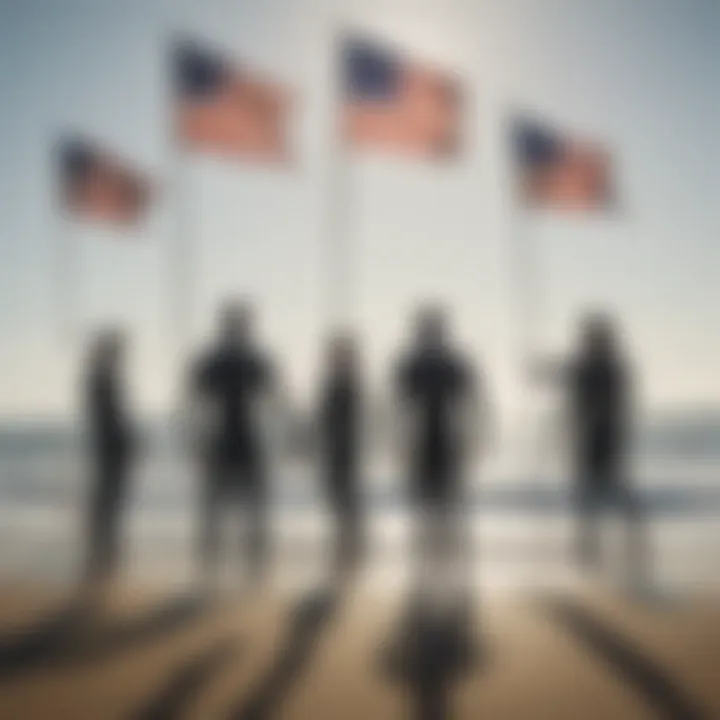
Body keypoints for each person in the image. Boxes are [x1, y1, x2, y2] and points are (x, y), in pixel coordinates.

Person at [532, 312, 646, 586]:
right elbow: (557, 376)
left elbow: (571, 381)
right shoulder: (594, 365)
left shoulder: (606, 367)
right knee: (591, 494)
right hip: (589, 437)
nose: (585, 342)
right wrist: (540, 370)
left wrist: (545, 373)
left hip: (601, 436)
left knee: (609, 491)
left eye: (588, 337)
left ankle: (615, 546)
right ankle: (591, 549)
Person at [393, 304, 483, 614]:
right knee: (433, 514)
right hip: (429, 446)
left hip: (444, 445)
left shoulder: (447, 364)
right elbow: (398, 409)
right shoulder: (415, 365)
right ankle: (432, 580)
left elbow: (473, 405)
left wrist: (473, 441)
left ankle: (446, 581)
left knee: (443, 514)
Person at [189, 301, 276, 591]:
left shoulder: (251, 359)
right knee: (217, 509)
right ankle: (213, 570)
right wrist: (198, 440)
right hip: (224, 439)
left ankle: (252, 571)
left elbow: (273, 398)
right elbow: (197, 402)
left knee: (251, 509)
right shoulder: (217, 361)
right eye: (239, 324)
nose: (242, 330)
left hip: (244, 439)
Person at [83, 329, 136, 596]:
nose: (122, 356)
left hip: (112, 450)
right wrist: (126, 442)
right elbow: (112, 419)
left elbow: (114, 418)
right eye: (118, 350)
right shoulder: (103, 378)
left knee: (108, 505)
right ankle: (102, 563)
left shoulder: (102, 377)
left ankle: (104, 562)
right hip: (111, 451)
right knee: (107, 505)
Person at [316, 333, 364, 578]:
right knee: (342, 504)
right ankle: (347, 550)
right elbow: (323, 422)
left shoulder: (349, 387)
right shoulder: (337, 386)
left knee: (346, 504)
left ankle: (350, 551)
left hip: (346, 453)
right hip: (336, 452)